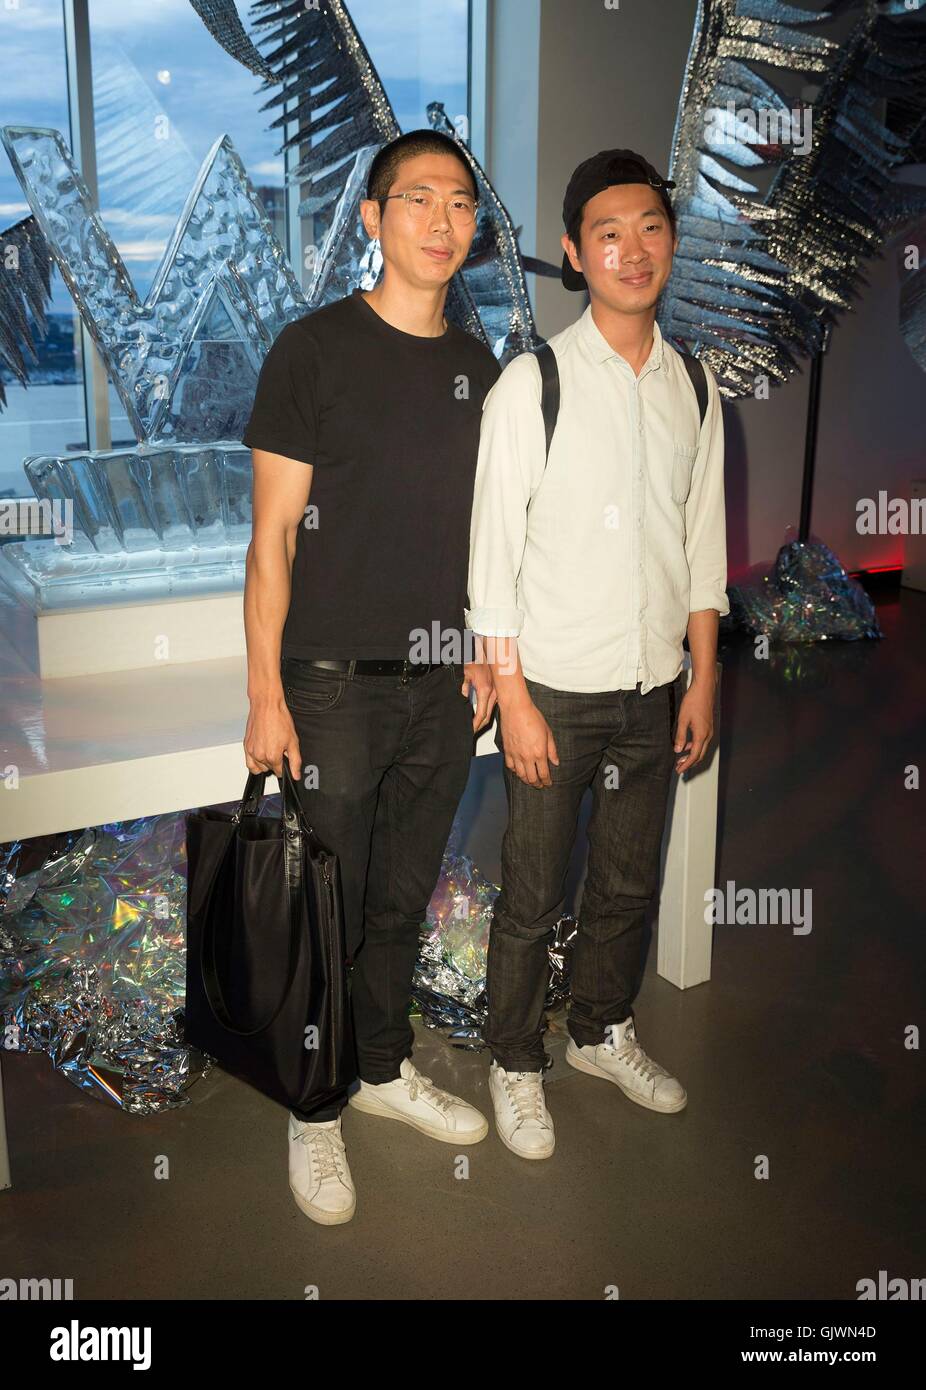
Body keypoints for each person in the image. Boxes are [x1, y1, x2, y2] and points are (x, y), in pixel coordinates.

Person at [241, 130, 500, 1223]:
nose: (440, 223)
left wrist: (490, 644)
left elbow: (492, 536)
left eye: (458, 204)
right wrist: (264, 691)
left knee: (399, 899)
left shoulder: (479, 369)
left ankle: (383, 1068)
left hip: (443, 687)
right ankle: (314, 1109)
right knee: (327, 909)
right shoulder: (313, 350)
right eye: (416, 200)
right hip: (332, 685)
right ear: (371, 218)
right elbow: (270, 541)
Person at [465, 149, 729, 1159]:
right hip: (553, 692)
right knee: (532, 891)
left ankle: (596, 1029)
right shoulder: (530, 386)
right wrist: (513, 694)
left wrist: (701, 676)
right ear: (573, 254)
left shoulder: (694, 390)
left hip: (650, 687)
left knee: (626, 882)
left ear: (670, 243)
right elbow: (489, 562)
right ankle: (512, 1060)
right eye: (607, 233)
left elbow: (700, 551)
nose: (632, 249)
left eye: (650, 228)